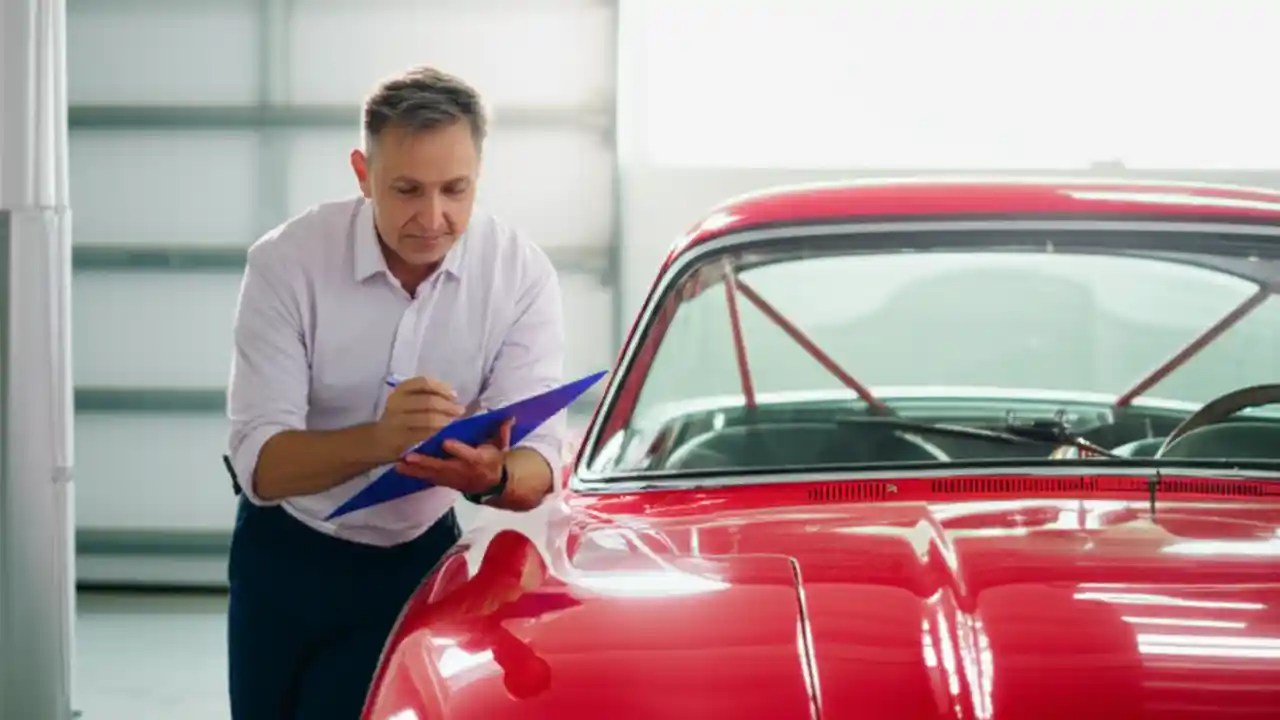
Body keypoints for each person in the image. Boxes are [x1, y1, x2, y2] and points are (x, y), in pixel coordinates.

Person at [223, 65, 565, 719]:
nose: (433, 218)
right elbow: (261, 465)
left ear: (478, 177)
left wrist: (491, 476)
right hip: (285, 552)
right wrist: (382, 439)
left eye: (455, 190)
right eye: (406, 189)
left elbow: (540, 461)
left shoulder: (519, 275)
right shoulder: (286, 264)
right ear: (362, 173)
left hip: (416, 562)